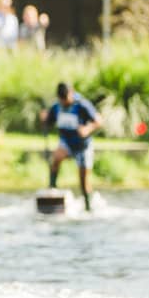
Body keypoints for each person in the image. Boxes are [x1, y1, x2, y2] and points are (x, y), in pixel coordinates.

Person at [40, 82, 103, 211]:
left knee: (83, 182)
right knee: (56, 158)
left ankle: (88, 206)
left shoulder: (82, 105)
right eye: (61, 100)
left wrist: (87, 129)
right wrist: (44, 118)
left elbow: (99, 121)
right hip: (66, 143)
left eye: (66, 99)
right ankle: (52, 189)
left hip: (83, 146)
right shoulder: (57, 107)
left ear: (71, 93)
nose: (64, 102)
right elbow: (49, 122)